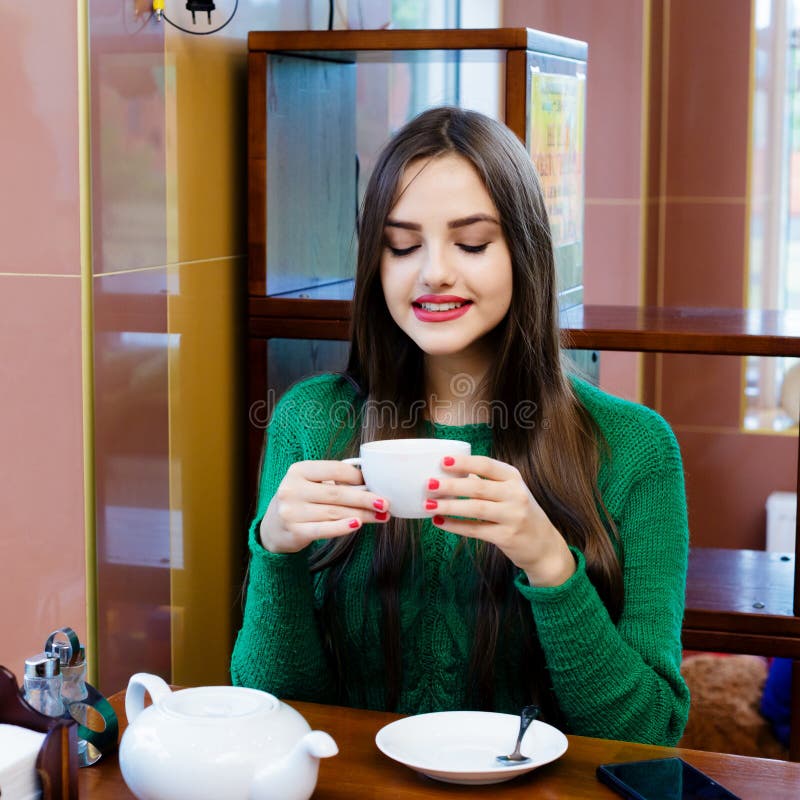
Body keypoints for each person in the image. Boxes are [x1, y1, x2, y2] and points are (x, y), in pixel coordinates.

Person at [231, 106, 690, 746]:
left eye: (471, 243)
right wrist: (275, 554)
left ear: (524, 251)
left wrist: (552, 565)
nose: (434, 271)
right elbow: (272, 713)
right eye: (402, 245)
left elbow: (649, 737)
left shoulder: (634, 450)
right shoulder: (311, 421)